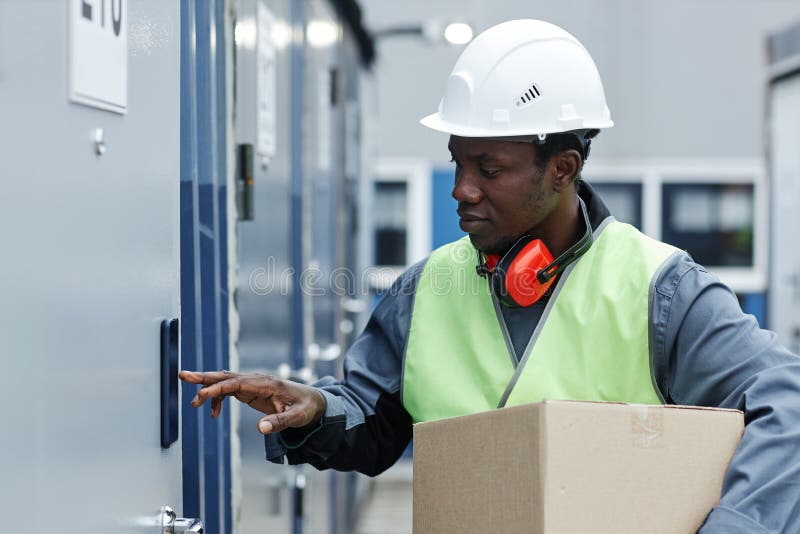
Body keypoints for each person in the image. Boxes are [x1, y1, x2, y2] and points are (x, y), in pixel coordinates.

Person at [180, 19, 800, 532]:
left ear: (563, 168)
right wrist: (315, 408)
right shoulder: (426, 290)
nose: (461, 189)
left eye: (489, 167)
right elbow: (371, 420)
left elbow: (786, 404)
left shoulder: (661, 291)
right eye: (456, 161)